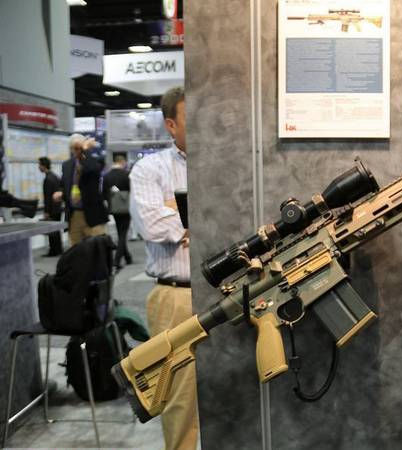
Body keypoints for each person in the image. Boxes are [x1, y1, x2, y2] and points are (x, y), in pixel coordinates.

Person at [129, 86, 198, 450]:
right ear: (171, 124)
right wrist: (184, 225)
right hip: (175, 298)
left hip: (231, 291)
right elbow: (153, 226)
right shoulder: (149, 169)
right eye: (191, 118)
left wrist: (184, 221)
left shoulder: (229, 166)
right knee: (179, 401)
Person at [54, 134, 108, 246]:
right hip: (74, 215)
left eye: (80, 148)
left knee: (97, 251)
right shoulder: (67, 165)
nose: (78, 151)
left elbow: (90, 169)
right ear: (71, 149)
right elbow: (65, 185)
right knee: (75, 252)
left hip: (93, 215)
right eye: (75, 148)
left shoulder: (95, 161)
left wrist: (85, 150)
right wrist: (61, 193)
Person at [102, 154, 132, 269]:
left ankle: (128, 257)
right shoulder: (127, 175)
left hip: (114, 209)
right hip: (126, 208)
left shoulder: (107, 176)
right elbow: (132, 191)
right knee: (123, 234)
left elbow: (104, 193)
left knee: (120, 232)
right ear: (122, 161)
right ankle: (117, 260)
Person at [38, 157, 63, 256]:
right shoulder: (55, 176)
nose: (39, 167)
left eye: (39, 165)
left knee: (51, 231)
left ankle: (53, 251)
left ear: (44, 166)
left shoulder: (47, 179)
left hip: (52, 209)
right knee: (56, 231)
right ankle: (58, 249)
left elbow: (48, 197)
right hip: (58, 208)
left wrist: (46, 212)